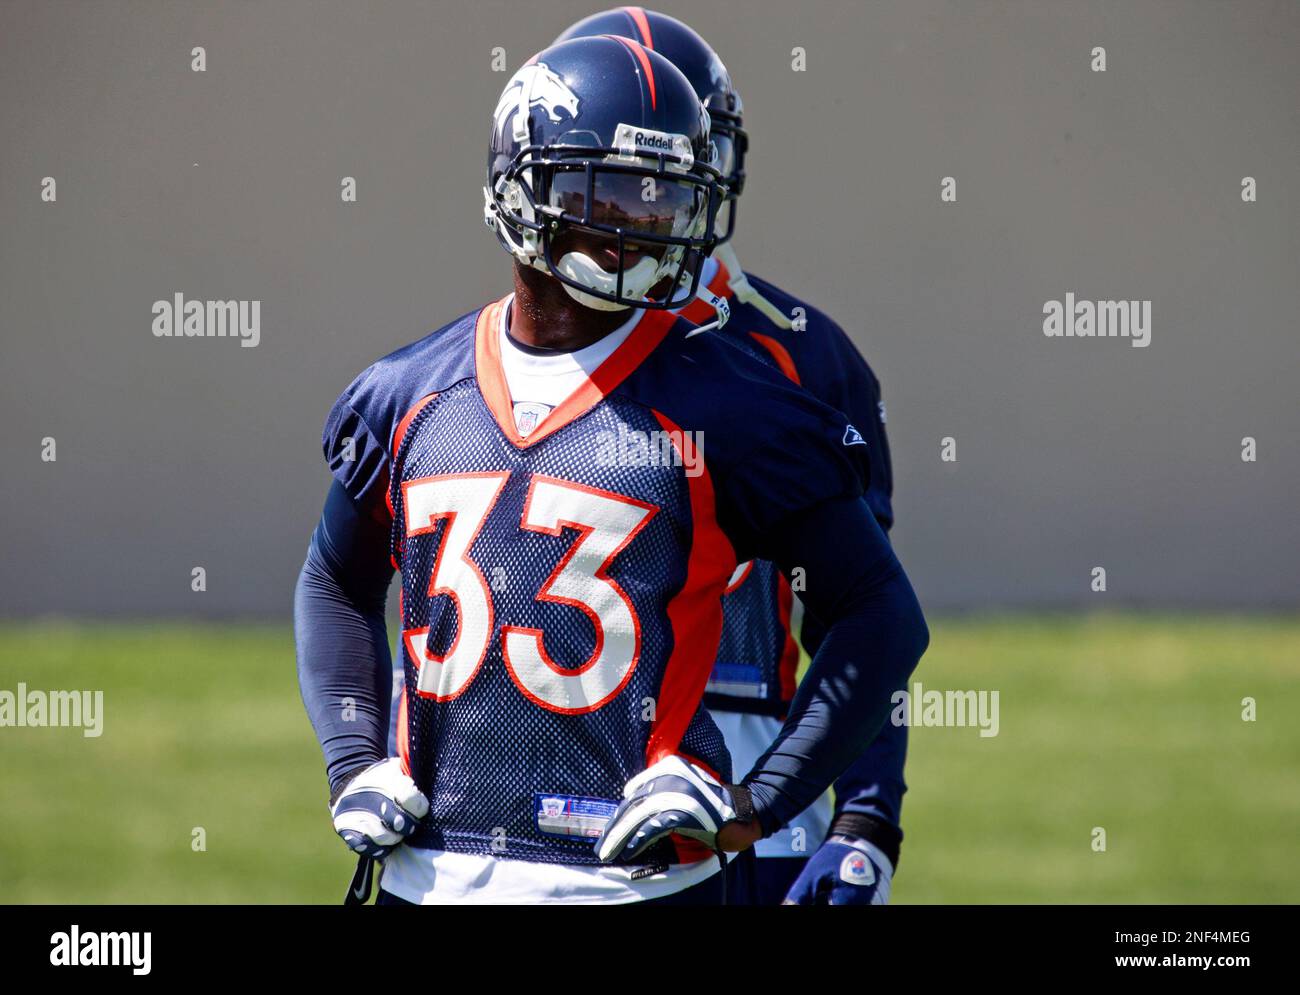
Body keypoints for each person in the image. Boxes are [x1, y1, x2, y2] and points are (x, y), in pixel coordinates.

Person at [295, 34, 927, 905]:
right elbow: (334, 577)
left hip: (642, 877)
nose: (652, 216)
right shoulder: (407, 391)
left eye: (667, 190)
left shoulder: (739, 399)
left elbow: (877, 613)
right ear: (526, 189)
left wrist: (777, 809)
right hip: (426, 871)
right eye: (618, 187)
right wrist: (354, 759)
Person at [557, 7, 908, 905]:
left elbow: (863, 616)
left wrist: (864, 815)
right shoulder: (521, 352)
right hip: (548, 791)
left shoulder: (802, 355)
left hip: (755, 795)